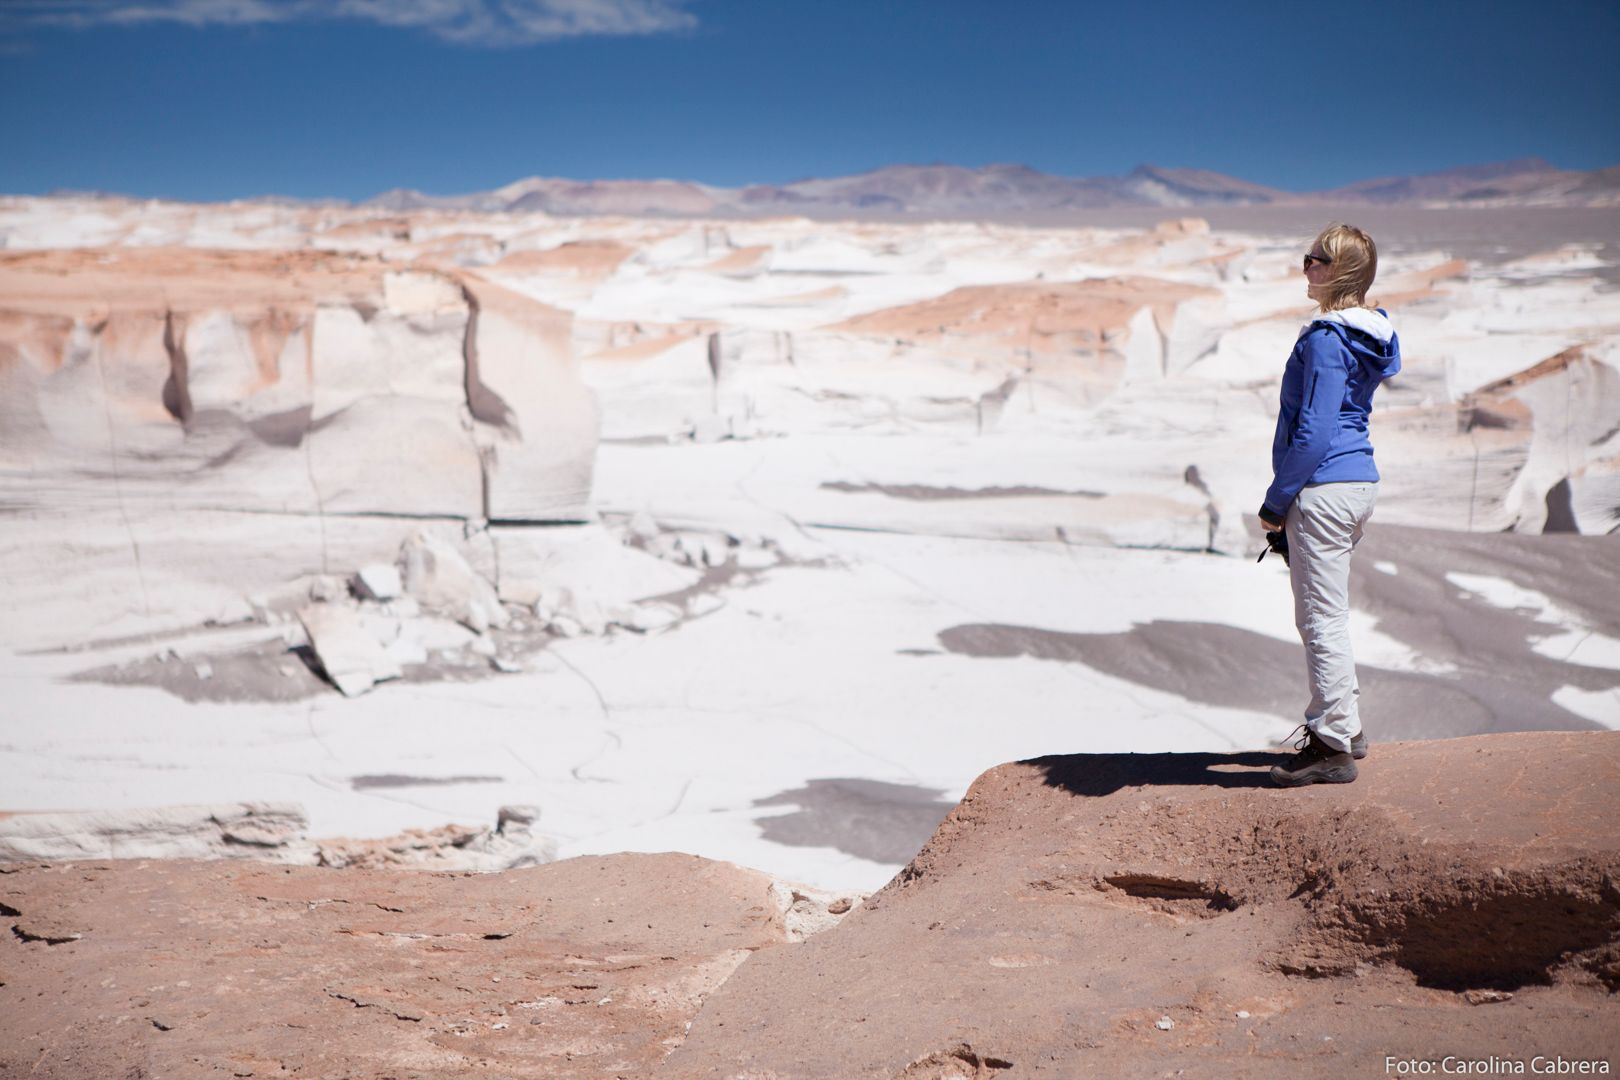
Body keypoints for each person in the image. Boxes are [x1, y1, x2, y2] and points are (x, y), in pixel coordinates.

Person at [1260, 223, 1401, 787]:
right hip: (1357, 481)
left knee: (1320, 617)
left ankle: (1331, 747)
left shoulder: (1325, 337)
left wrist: (1276, 502)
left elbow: (1314, 431)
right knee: (1329, 612)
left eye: (1315, 259)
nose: (1306, 267)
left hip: (1322, 486)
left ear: (1338, 270)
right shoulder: (1373, 330)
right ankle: (1347, 726)